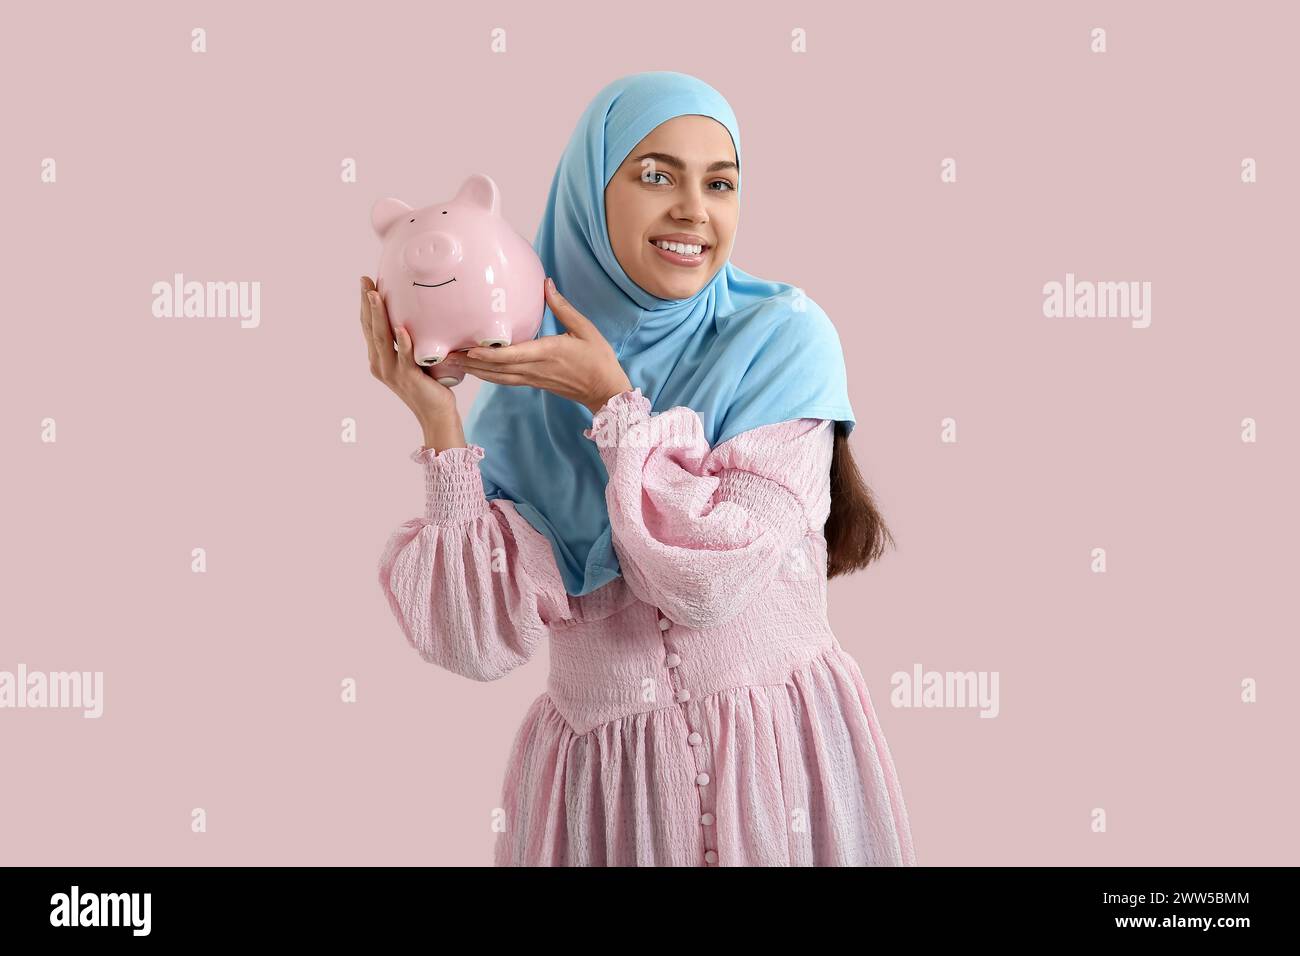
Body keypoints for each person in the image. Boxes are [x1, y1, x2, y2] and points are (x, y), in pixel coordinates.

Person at [361, 70, 916, 866]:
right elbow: (471, 644)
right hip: (608, 802)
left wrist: (613, 402)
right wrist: (442, 427)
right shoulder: (518, 409)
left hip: (781, 773)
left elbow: (708, 583)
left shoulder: (782, 342)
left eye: (719, 183)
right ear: (591, 195)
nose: (693, 209)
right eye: (655, 175)